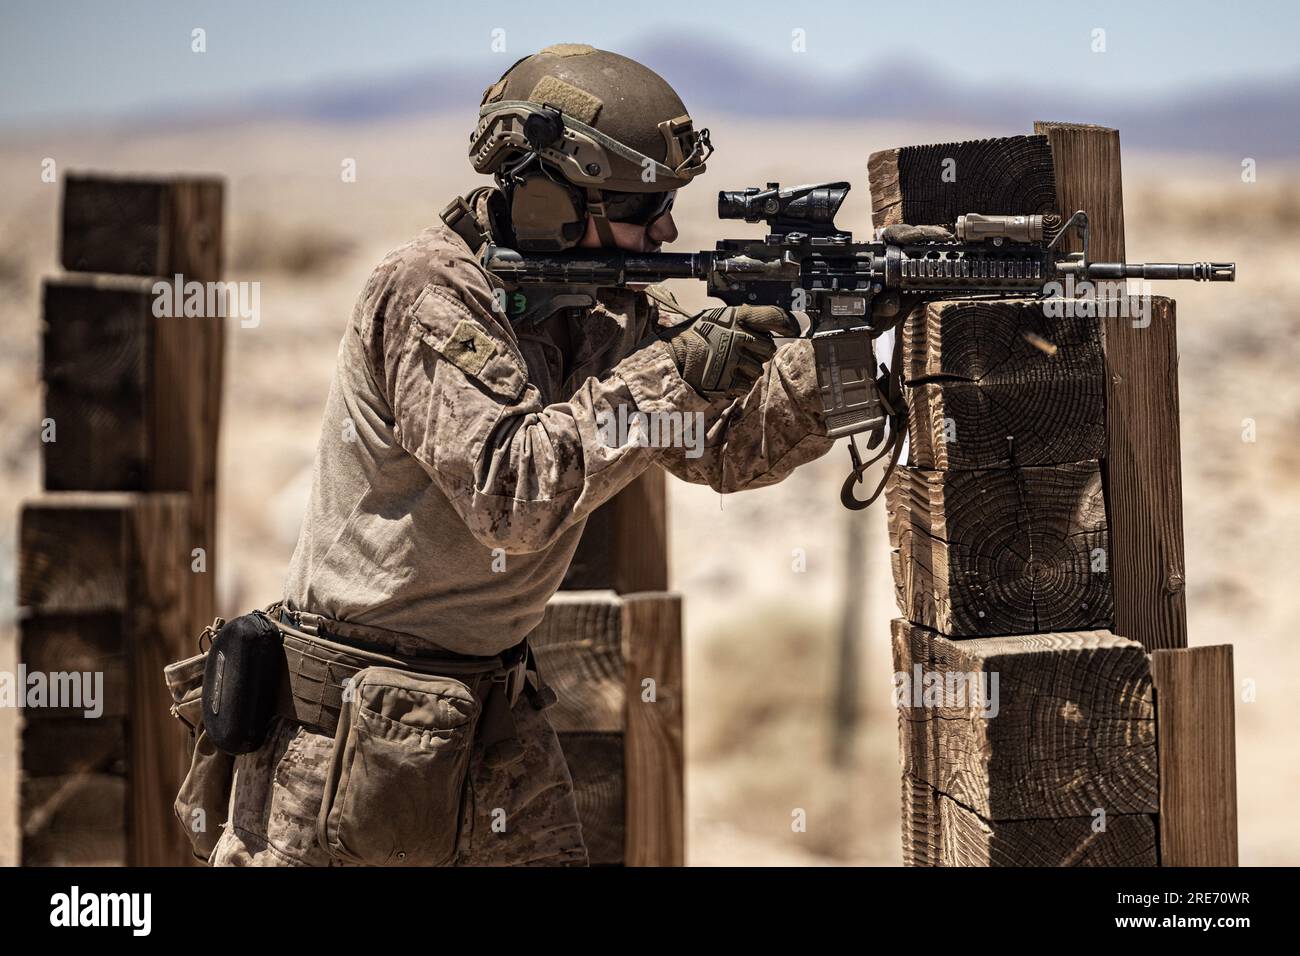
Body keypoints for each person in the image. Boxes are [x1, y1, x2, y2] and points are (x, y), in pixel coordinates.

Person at [210, 43, 838, 868]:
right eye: (641, 207)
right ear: (547, 201)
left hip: (492, 713)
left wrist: (838, 351)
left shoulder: (598, 308)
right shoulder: (427, 291)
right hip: (351, 736)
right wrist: (679, 369)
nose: (666, 231)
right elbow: (514, 496)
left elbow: (724, 450)